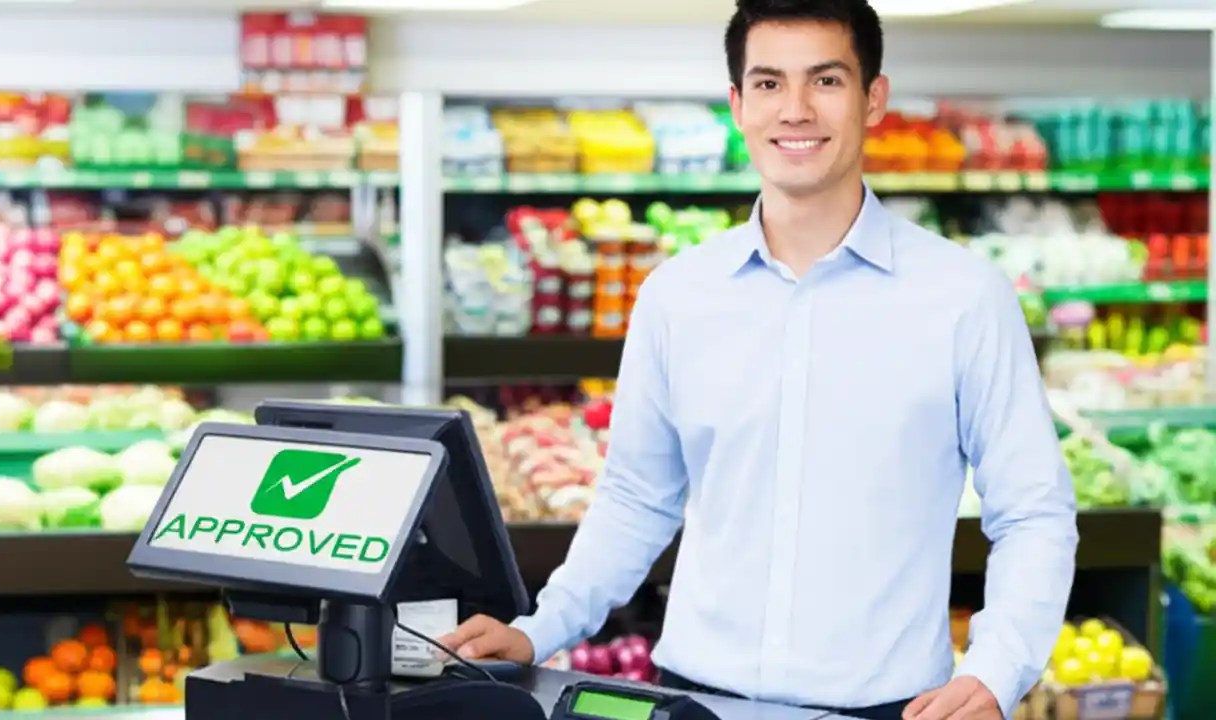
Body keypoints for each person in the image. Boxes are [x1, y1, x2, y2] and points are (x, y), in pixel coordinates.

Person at [439, 1, 1079, 718]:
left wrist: (996, 669)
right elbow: (635, 499)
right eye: (770, 84)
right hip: (692, 701)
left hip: (884, 706)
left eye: (826, 81)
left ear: (874, 99)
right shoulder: (678, 296)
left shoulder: (964, 298)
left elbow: (1033, 514)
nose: (796, 110)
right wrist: (539, 630)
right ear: (739, 106)